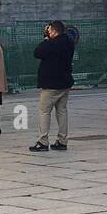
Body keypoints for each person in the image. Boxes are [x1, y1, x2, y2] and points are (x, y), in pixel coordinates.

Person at [30, 20, 74, 153]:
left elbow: (37, 52)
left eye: (49, 30)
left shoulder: (52, 43)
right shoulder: (69, 42)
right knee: (62, 111)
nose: (47, 32)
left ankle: (43, 141)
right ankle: (62, 140)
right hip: (65, 82)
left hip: (51, 84)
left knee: (44, 111)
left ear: (54, 31)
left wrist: (46, 39)